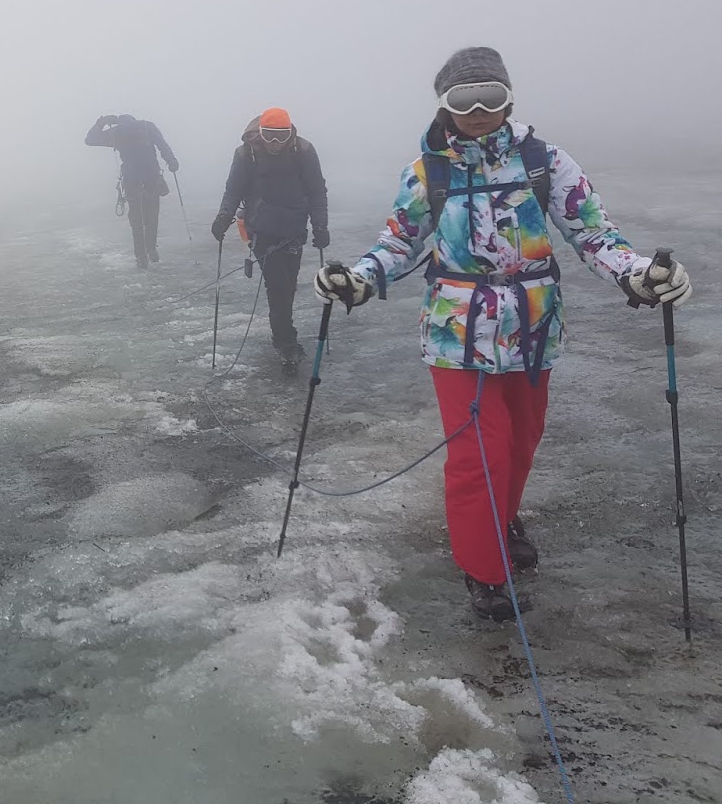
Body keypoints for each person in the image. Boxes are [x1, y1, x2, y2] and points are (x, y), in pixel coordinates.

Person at [314, 47, 693, 621]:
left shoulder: (546, 162)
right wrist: (358, 279)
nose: (478, 111)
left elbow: (593, 234)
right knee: (479, 453)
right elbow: (400, 242)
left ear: (509, 99)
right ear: (443, 105)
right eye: (463, 99)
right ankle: (485, 572)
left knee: (519, 443)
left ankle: (502, 518)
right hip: (456, 332)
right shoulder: (428, 172)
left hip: (533, 330)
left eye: (490, 97)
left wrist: (639, 274)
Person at [211, 107, 329, 375]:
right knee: (278, 286)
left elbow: (316, 190)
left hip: (294, 231)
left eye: (281, 136)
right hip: (261, 231)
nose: (275, 142)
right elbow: (234, 189)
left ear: (290, 133)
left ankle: (285, 334)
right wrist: (224, 216)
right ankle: (285, 343)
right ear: (260, 133)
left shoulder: (303, 151)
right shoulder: (246, 154)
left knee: (287, 285)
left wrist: (320, 225)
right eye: (269, 135)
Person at [86, 114, 179, 269]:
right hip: (151, 177)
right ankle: (151, 248)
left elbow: (90, 140)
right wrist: (172, 161)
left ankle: (141, 257)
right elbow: (163, 146)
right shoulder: (147, 127)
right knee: (152, 216)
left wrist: (101, 123)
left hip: (131, 180)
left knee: (136, 220)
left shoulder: (117, 132)